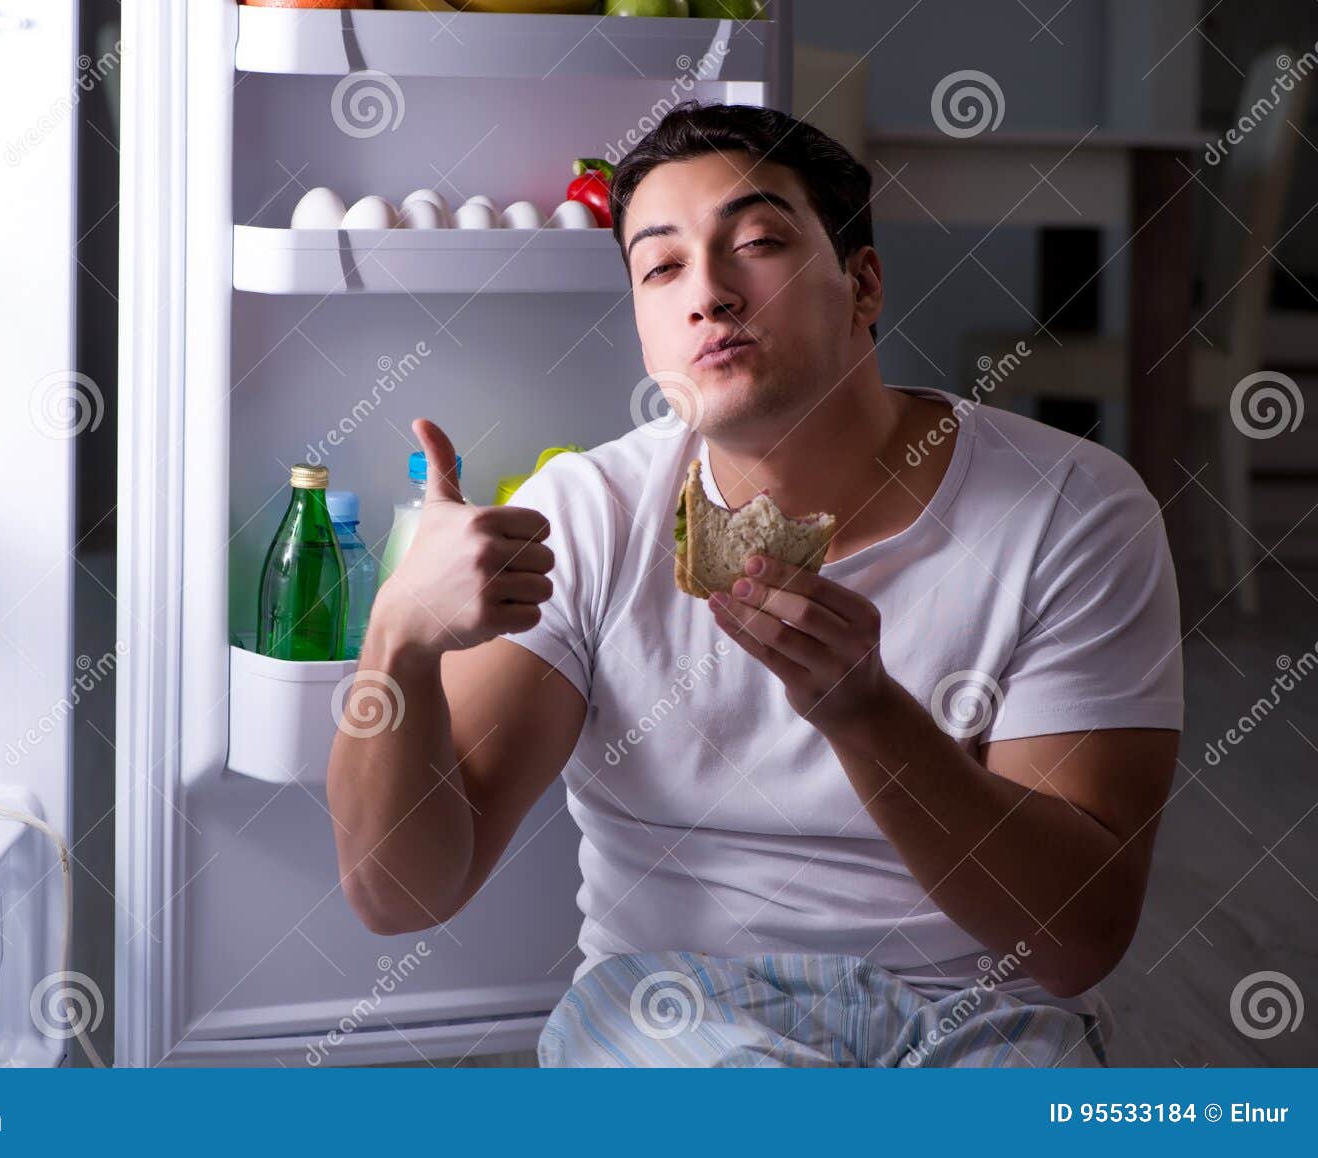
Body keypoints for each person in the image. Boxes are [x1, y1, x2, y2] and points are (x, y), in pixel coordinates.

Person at [325, 101, 1184, 1067]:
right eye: (661, 266)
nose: (710, 293)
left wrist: (870, 719)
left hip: (984, 1014)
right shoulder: (590, 515)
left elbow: (1075, 943)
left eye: (759, 242)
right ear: (645, 331)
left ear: (862, 283)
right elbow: (399, 893)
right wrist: (397, 631)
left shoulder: (1072, 507)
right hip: (670, 1008)